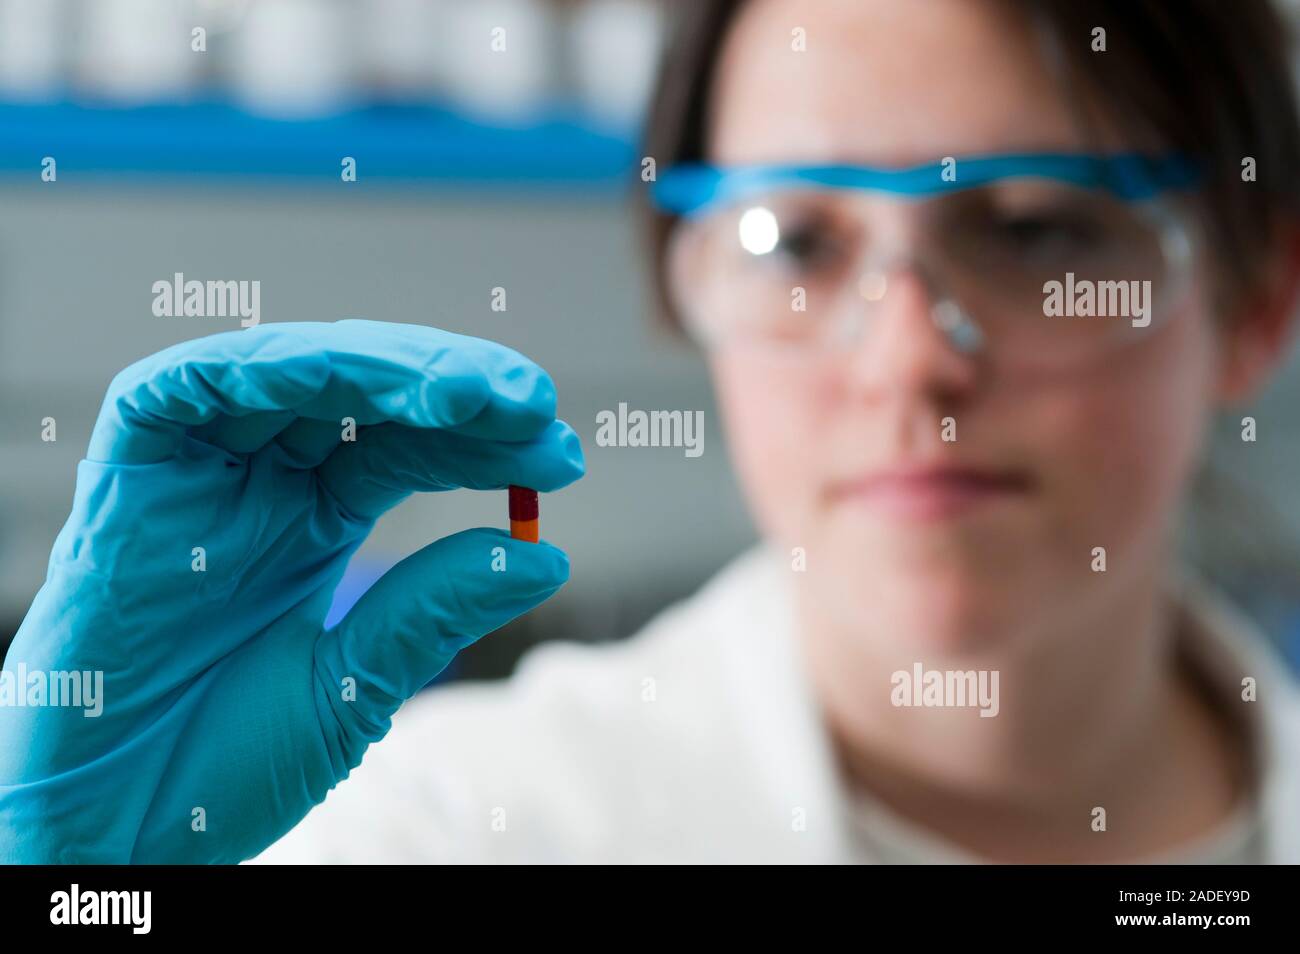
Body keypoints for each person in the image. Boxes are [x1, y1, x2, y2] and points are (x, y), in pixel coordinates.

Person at [2, 0, 1299, 864]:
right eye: (794, 241)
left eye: (1036, 229)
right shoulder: (456, 830)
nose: (908, 357)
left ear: (1256, 300)